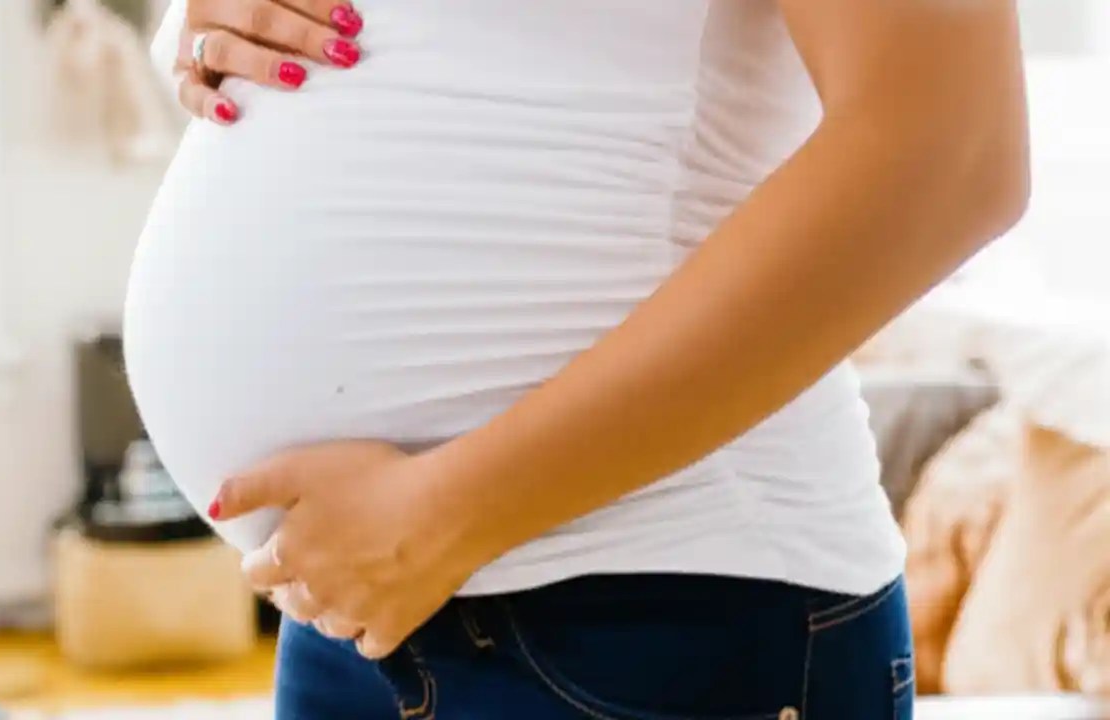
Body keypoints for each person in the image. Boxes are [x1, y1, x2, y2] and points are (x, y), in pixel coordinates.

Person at [124, 1, 1029, 717]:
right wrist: (205, 34)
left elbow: (953, 150)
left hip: (654, 620)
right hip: (355, 605)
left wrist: (445, 514)